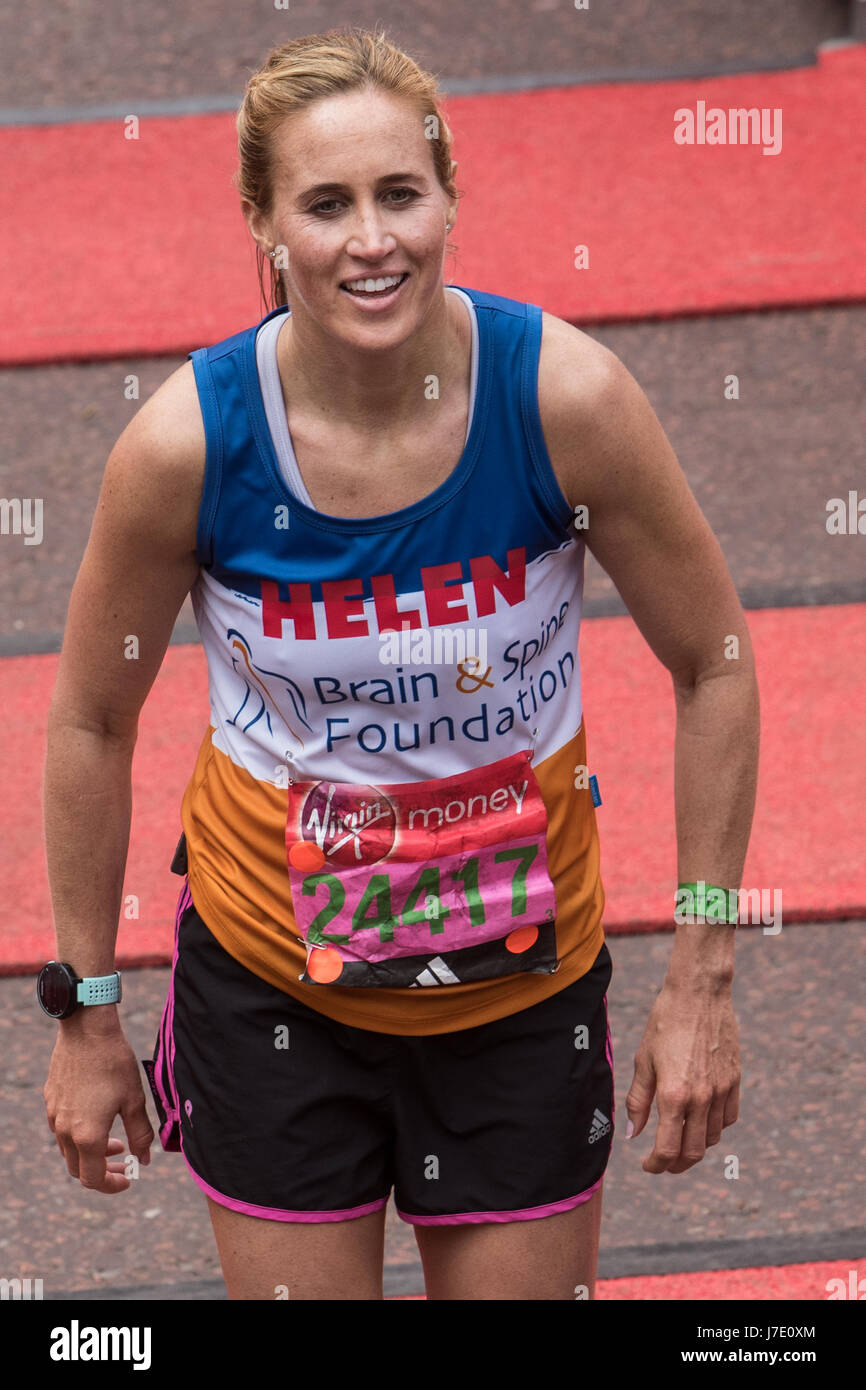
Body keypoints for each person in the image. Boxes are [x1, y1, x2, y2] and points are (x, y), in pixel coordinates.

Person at [41, 26, 759, 1301]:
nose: (371, 240)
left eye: (399, 194)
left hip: (519, 1011)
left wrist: (699, 973)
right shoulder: (188, 448)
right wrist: (84, 1011)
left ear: (448, 200)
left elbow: (711, 664)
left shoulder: (563, 402)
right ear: (261, 224)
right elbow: (93, 720)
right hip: (273, 1004)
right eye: (325, 204)